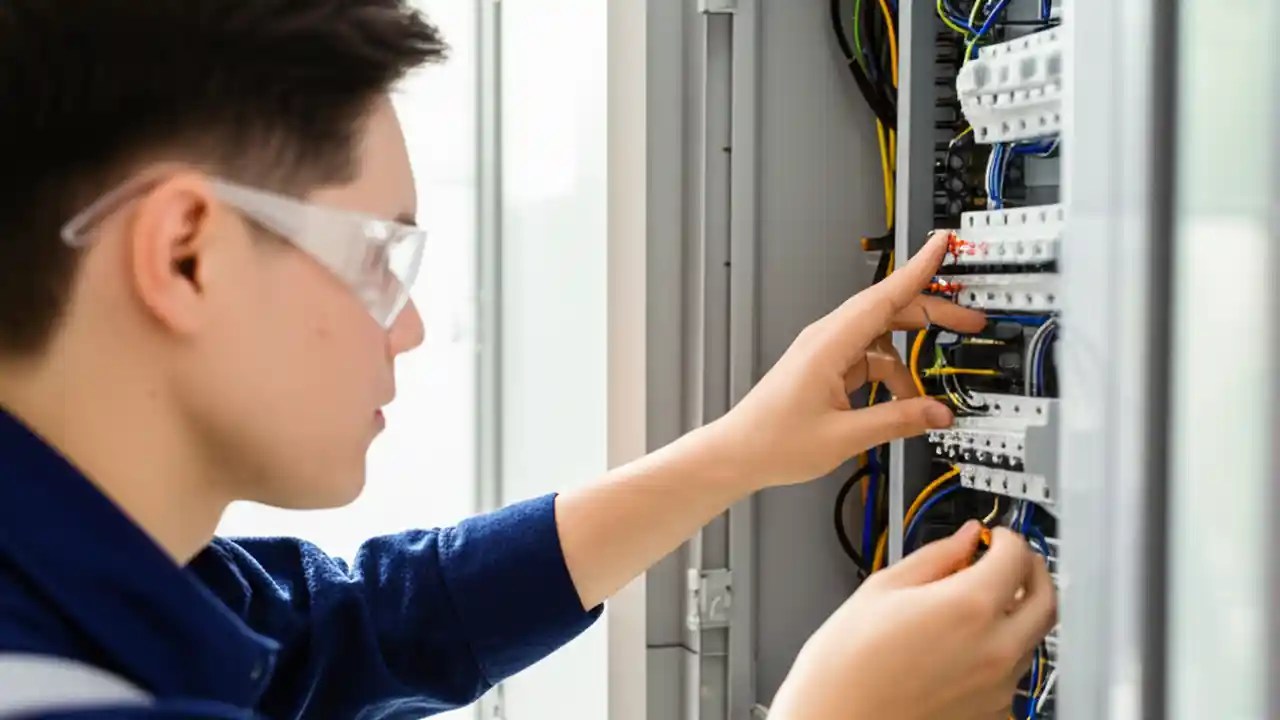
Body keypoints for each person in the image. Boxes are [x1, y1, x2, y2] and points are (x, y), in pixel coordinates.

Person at [0, 2, 1056, 718]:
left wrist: (739, 451)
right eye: (376, 258)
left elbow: (368, 630)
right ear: (185, 255)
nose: (410, 328)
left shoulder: (94, 588)